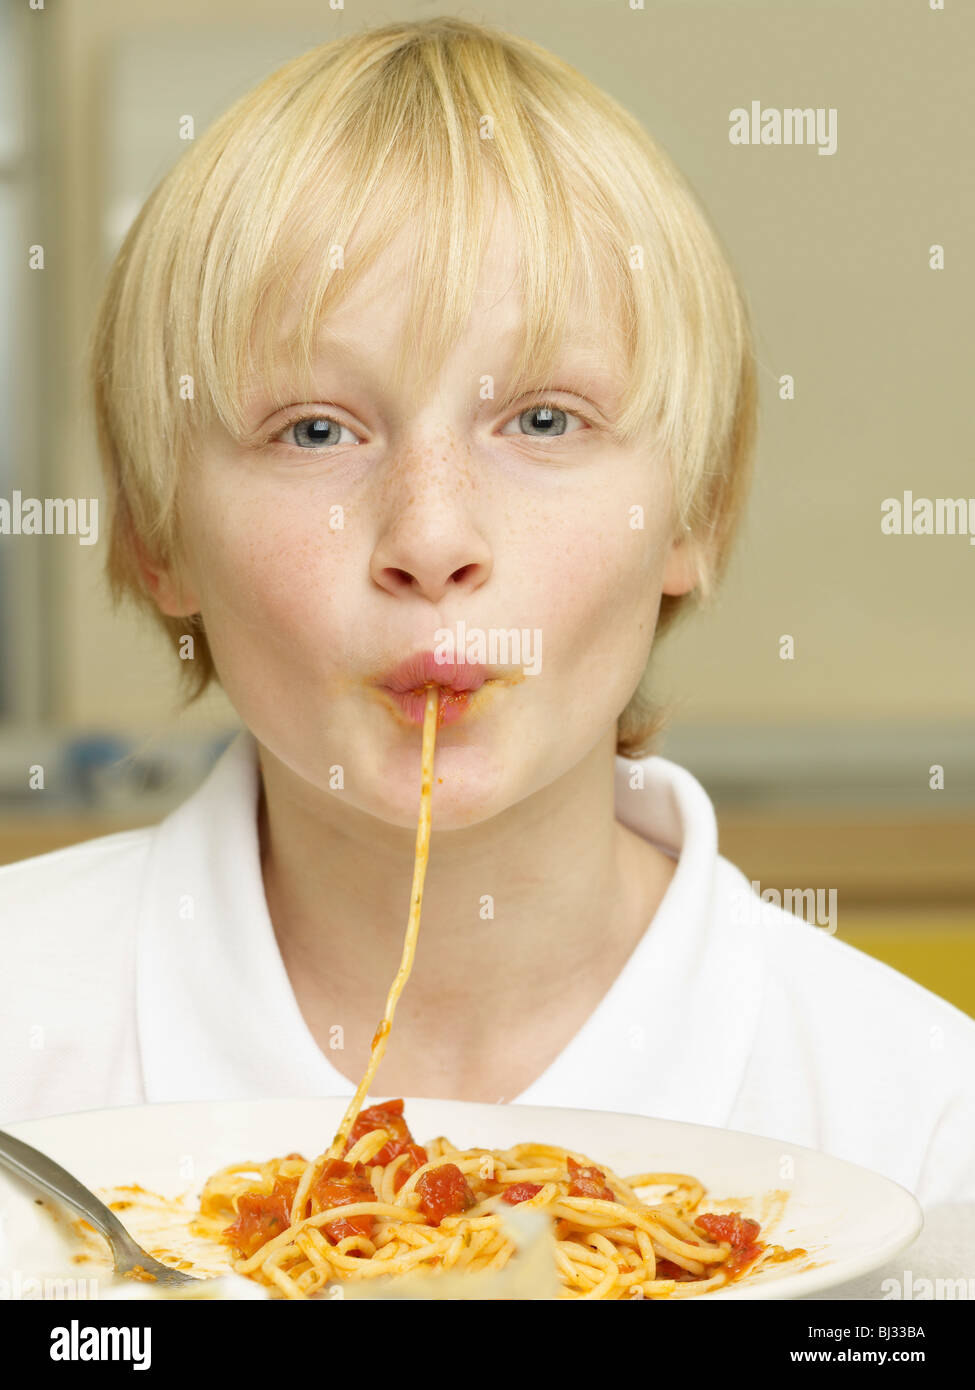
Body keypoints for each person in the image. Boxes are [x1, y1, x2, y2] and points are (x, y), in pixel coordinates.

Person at [2, 17, 973, 1217]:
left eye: (545, 421)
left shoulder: (922, 1135)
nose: (432, 540)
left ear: (695, 513)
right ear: (157, 537)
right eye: (314, 429)